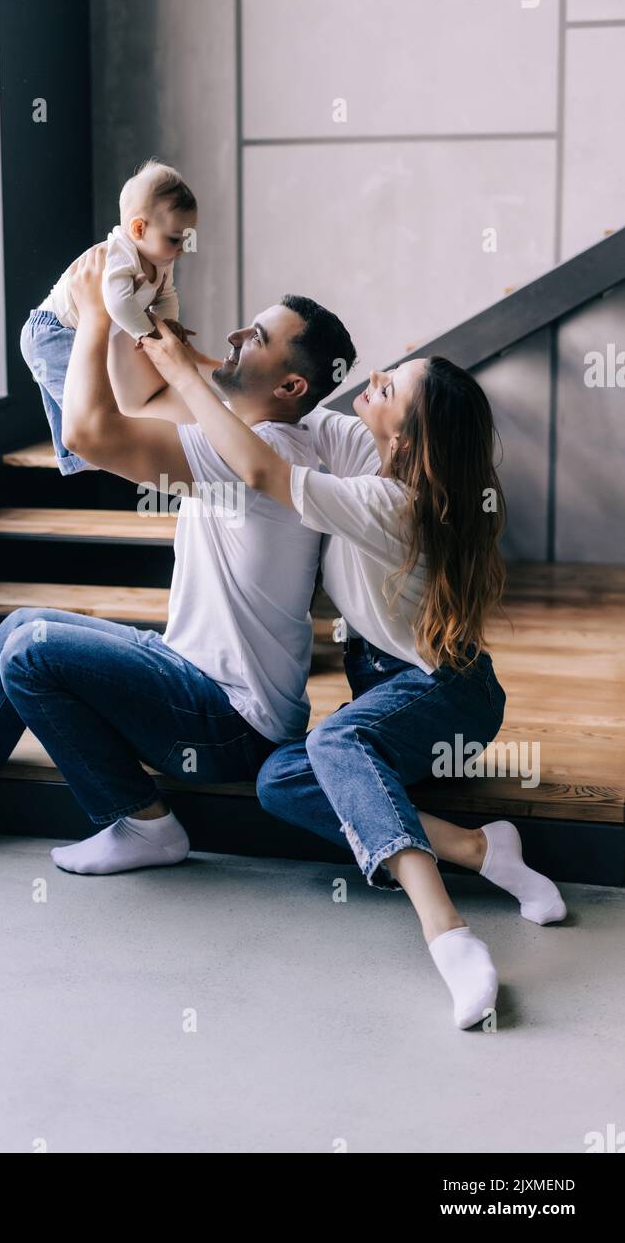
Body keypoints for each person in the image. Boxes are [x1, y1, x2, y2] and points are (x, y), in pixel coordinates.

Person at [0, 245, 355, 881]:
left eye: (257, 337)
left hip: (228, 724)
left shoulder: (256, 449)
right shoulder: (266, 433)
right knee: (21, 623)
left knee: (32, 652)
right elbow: (138, 400)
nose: (236, 335)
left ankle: (143, 824)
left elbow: (87, 433)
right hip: (199, 682)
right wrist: (138, 311)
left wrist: (95, 316)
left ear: (292, 387)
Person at [141, 319, 567, 1031]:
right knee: (281, 779)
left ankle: (447, 933)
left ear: (404, 438)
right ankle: (476, 846)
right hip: (393, 686)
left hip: (444, 692)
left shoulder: (388, 502)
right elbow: (273, 409)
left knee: (335, 747)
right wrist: (191, 356)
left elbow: (262, 469)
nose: (373, 379)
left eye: (389, 387)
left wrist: (183, 375)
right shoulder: (362, 454)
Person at [19, 158, 202, 475]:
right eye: (175, 239)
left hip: (82, 332)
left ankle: (79, 457)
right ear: (138, 229)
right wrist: (148, 335)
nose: (182, 248)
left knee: (88, 402)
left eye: (187, 239)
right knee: (82, 404)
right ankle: (82, 454)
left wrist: (169, 323)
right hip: (51, 332)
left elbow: (167, 295)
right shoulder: (119, 255)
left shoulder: (162, 259)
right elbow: (117, 304)